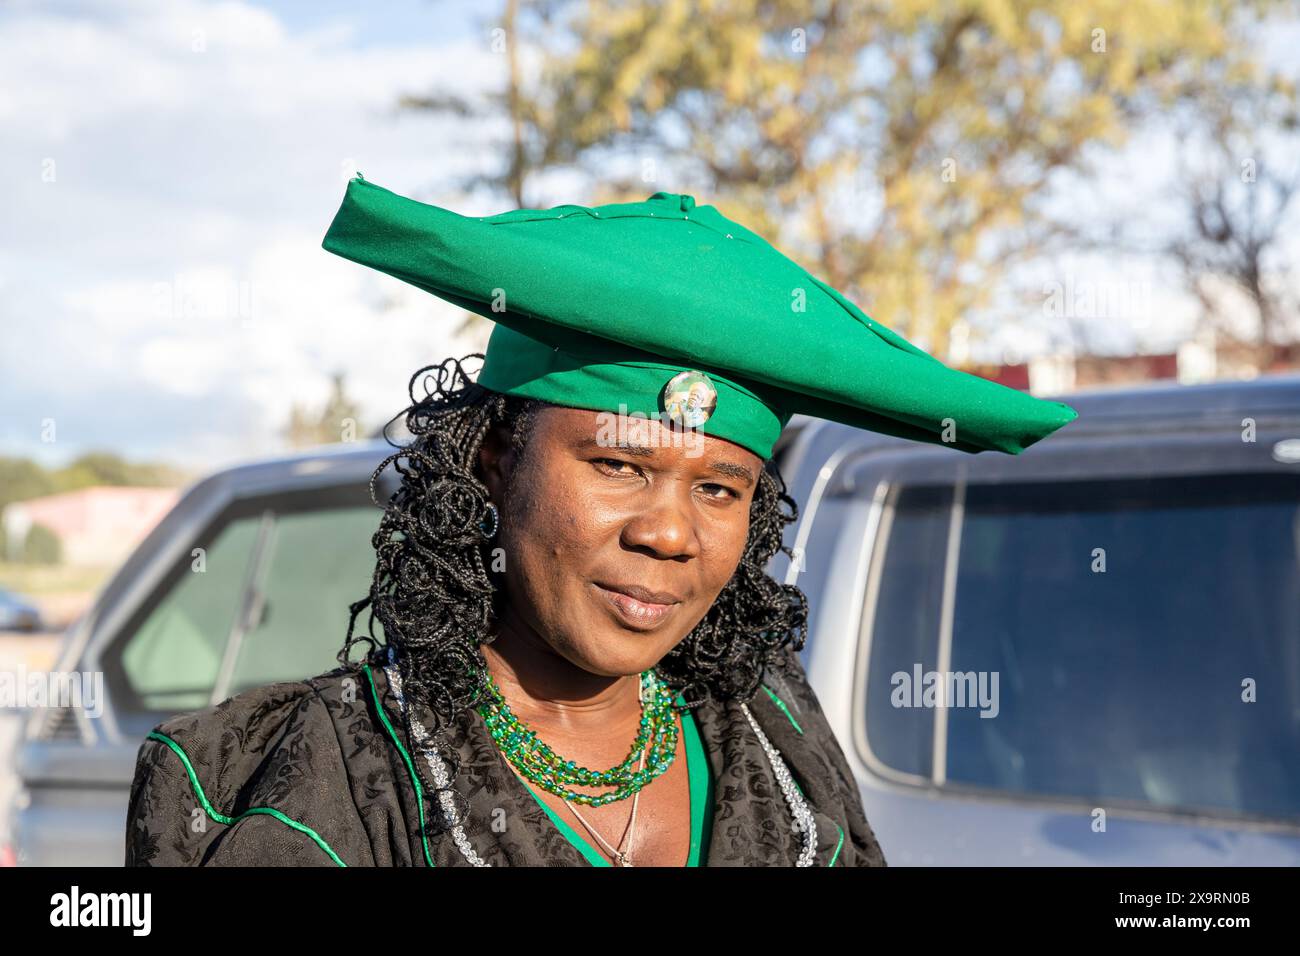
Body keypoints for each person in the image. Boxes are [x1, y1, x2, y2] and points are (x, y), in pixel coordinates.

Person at [124, 177, 1077, 867]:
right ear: (495, 460)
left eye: (720, 488)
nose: (670, 534)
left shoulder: (769, 730)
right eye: (619, 465)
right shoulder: (322, 780)